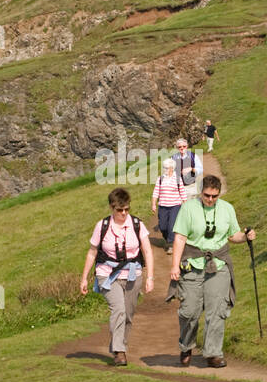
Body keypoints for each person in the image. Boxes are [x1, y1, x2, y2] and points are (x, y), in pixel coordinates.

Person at [168, 174, 254, 368]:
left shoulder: (227, 209)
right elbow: (180, 238)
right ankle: (186, 346)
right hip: (192, 264)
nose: (210, 200)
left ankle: (213, 353)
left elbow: (233, 235)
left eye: (214, 196)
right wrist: (174, 266)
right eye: (207, 195)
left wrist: (246, 236)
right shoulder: (188, 208)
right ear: (201, 192)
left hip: (219, 265)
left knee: (217, 311)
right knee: (189, 311)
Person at [81, 188, 154, 366]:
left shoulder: (137, 224)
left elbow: (147, 251)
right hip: (107, 275)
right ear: (111, 208)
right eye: (119, 210)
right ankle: (120, 352)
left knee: (128, 314)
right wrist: (84, 278)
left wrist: (150, 276)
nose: (123, 213)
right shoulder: (102, 226)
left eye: (126, 209)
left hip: (132, 275)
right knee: (119, 309)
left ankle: (118, 346)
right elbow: (92, 253)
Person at [151, 157, 188, 247]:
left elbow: (182, 192)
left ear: (172, 168)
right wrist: (153, 204)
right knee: (163, 227)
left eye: (166, 168)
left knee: (172, 225)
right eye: (164, 167)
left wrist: (185, 205)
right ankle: (168, 239)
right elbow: (156, 192)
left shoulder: (178, 178)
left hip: (175, 206)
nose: (165, 170)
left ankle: (171, 244)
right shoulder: (160, 179)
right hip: (163, 206)